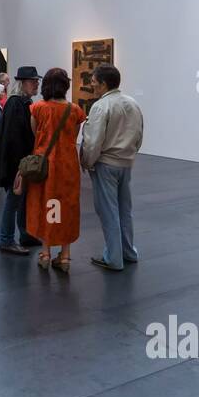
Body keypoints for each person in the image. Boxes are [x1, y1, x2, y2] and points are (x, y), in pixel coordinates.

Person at [79, 64, 143, 271]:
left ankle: (113, 258)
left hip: (106, 163)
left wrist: (87, 161)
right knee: (125, 209)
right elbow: (139, 134)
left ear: (104, 83)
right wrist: (130, 154)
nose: (92, 86)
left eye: (94, 82)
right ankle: (128, 252)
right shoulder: (132, 103)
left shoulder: (101, 106)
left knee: (108, 211)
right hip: (126, 162)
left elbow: (93, 140)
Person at [22, 67, 85, 273]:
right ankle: (65, 255)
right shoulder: (75, 110)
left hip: (45, 164)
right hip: (67, 165)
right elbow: (73, 136)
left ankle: (45, 252)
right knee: (65, 205)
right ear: (65, 86)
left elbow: (34, 133)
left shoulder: (38, 108)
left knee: (47, 204)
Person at [0, 67, 43, 255]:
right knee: (13, 201)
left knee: (22, 200)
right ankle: (6, 239)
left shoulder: (23, 102)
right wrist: (19, 169)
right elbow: (13, 139)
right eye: (33, 81)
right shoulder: (16, 104)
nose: (37, 83)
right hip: (16, 163)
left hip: (22, 162)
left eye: (37, 81)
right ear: (22, 83)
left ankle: (26, 234)